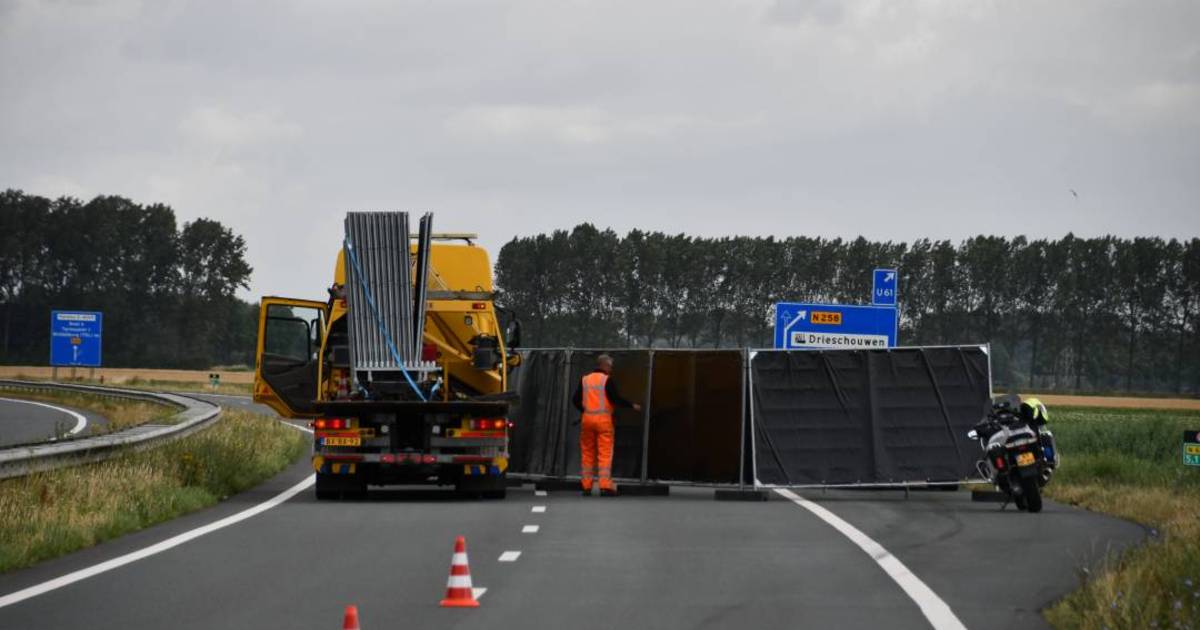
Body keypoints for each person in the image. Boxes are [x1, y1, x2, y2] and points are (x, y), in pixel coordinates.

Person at [571, 354, 641, 496]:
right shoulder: (606, 380)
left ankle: (586, 486)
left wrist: (584, 410)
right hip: (603, 421)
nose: (611, 369)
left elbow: (575, 399)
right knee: (605, 453)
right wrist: (631, 405)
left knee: (587, 452)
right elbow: (615, 399)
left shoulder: (585, 380)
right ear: (604, 365)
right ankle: (604, 486)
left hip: (587, 420)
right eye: (610, 366)